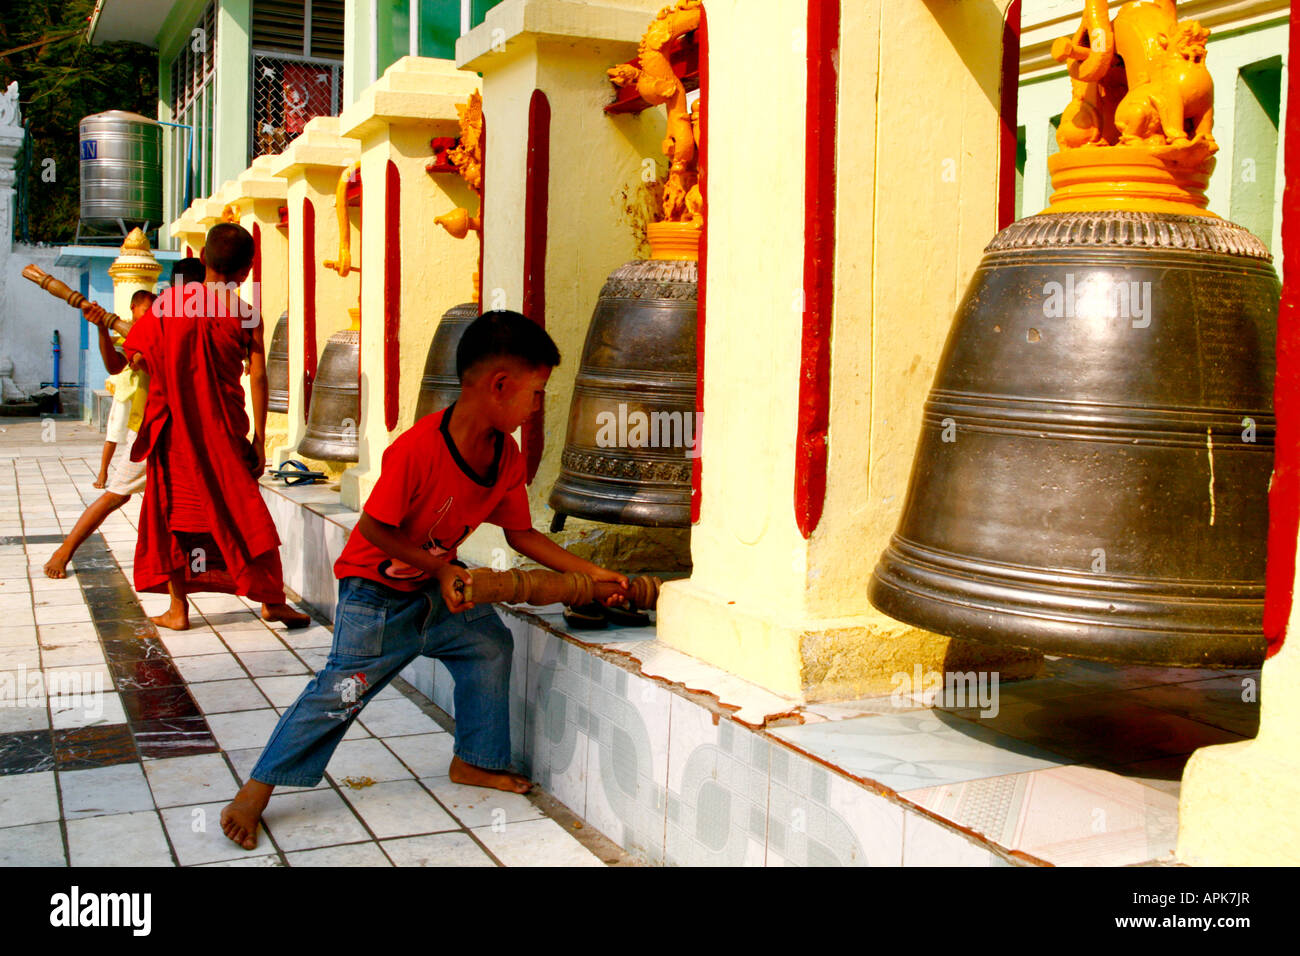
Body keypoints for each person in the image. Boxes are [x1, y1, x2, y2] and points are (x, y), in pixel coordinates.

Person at [219, 310, 630, 850]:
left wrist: (590, 573)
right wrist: (440, 567)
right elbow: (372, 526)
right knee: (341, 692)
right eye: (535, 393)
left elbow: (521, 535)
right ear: (500, 385)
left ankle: (475, 760)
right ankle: (256, 790)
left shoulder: (506, 456)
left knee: (489, 645)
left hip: (440, 595)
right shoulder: (417, 449)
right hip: (376, 597)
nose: (538, 406)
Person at [122, 224, 309, 631]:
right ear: (247, 270)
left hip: (176, 436)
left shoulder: (168, 306)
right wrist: (260, 438)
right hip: (223, 435)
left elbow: (133, 358)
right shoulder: (246, 313)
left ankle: (178, 609)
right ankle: (272, 600)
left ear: (203, 258)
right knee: (246, 513)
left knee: (173, 517)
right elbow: (259, 377)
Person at [43, 258, 207, 580]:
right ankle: (64, 551)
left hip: (194, 430)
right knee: (116, 494)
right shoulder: (159, 321)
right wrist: (103, 329)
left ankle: (191, 584)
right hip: (156, 428)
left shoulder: (206, 321)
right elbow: (119, 365)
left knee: (198, 506)